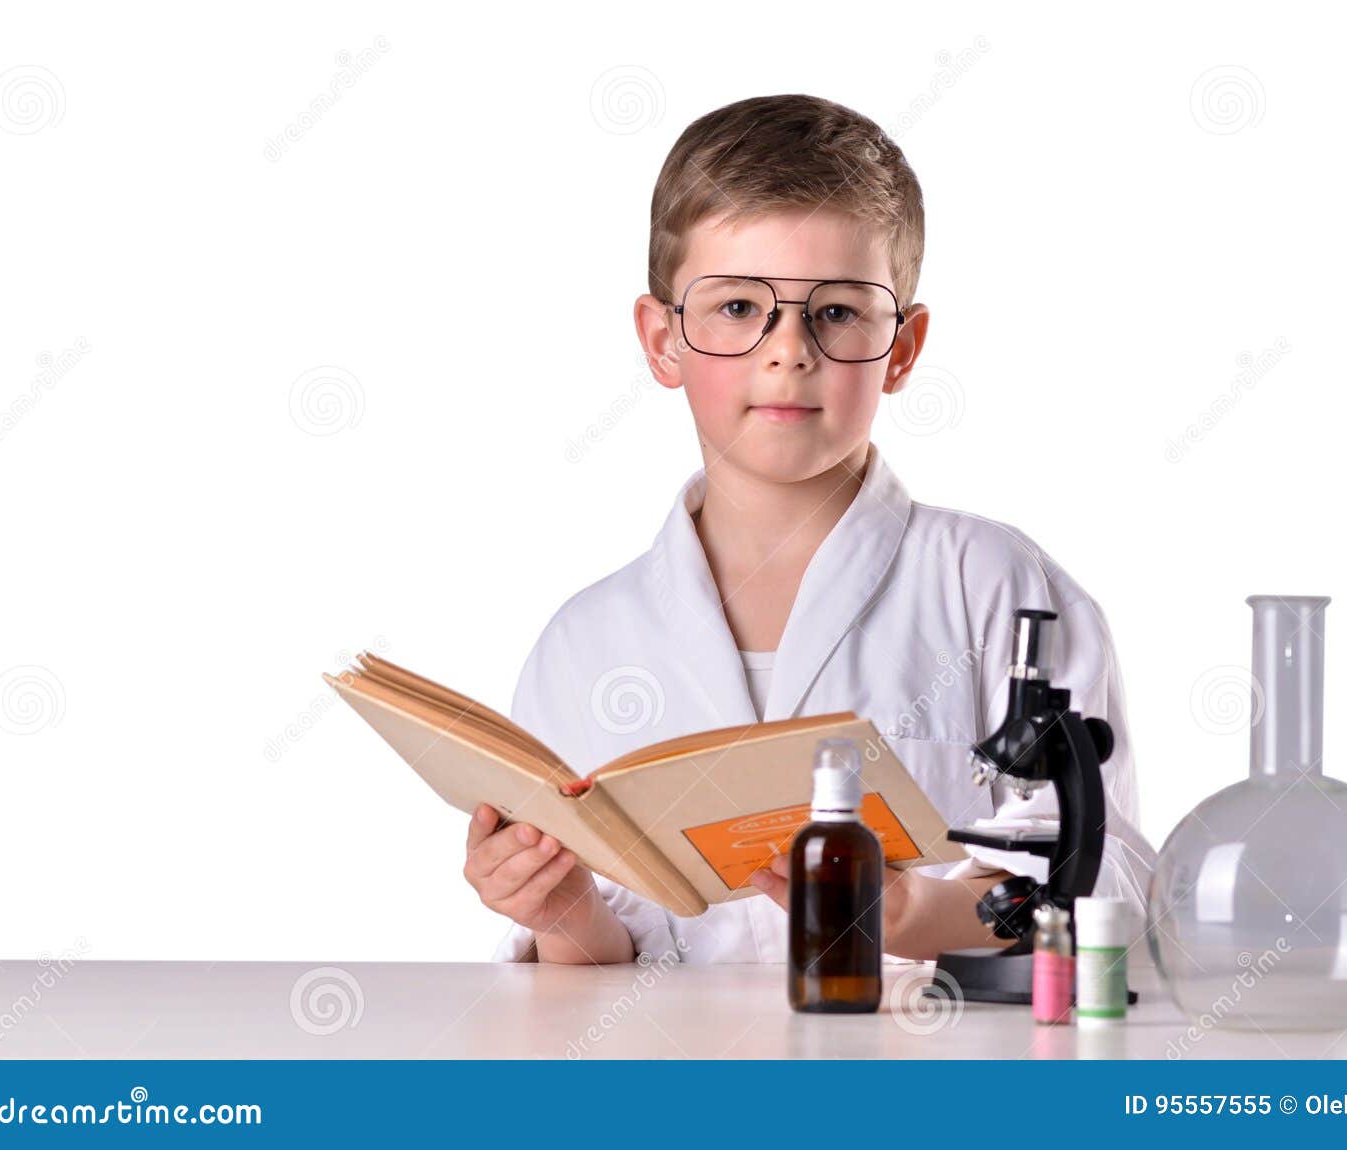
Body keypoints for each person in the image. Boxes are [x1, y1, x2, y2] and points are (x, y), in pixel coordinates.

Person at [462, 93, 1155, 965]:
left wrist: (916, 919)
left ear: (901, 347)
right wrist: (561, 914)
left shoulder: (998, 590)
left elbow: (1102, 886)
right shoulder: (586, 643)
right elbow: (596, 981)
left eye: (835, 311)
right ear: (662, 340)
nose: (788, 350)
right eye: (739, 308)